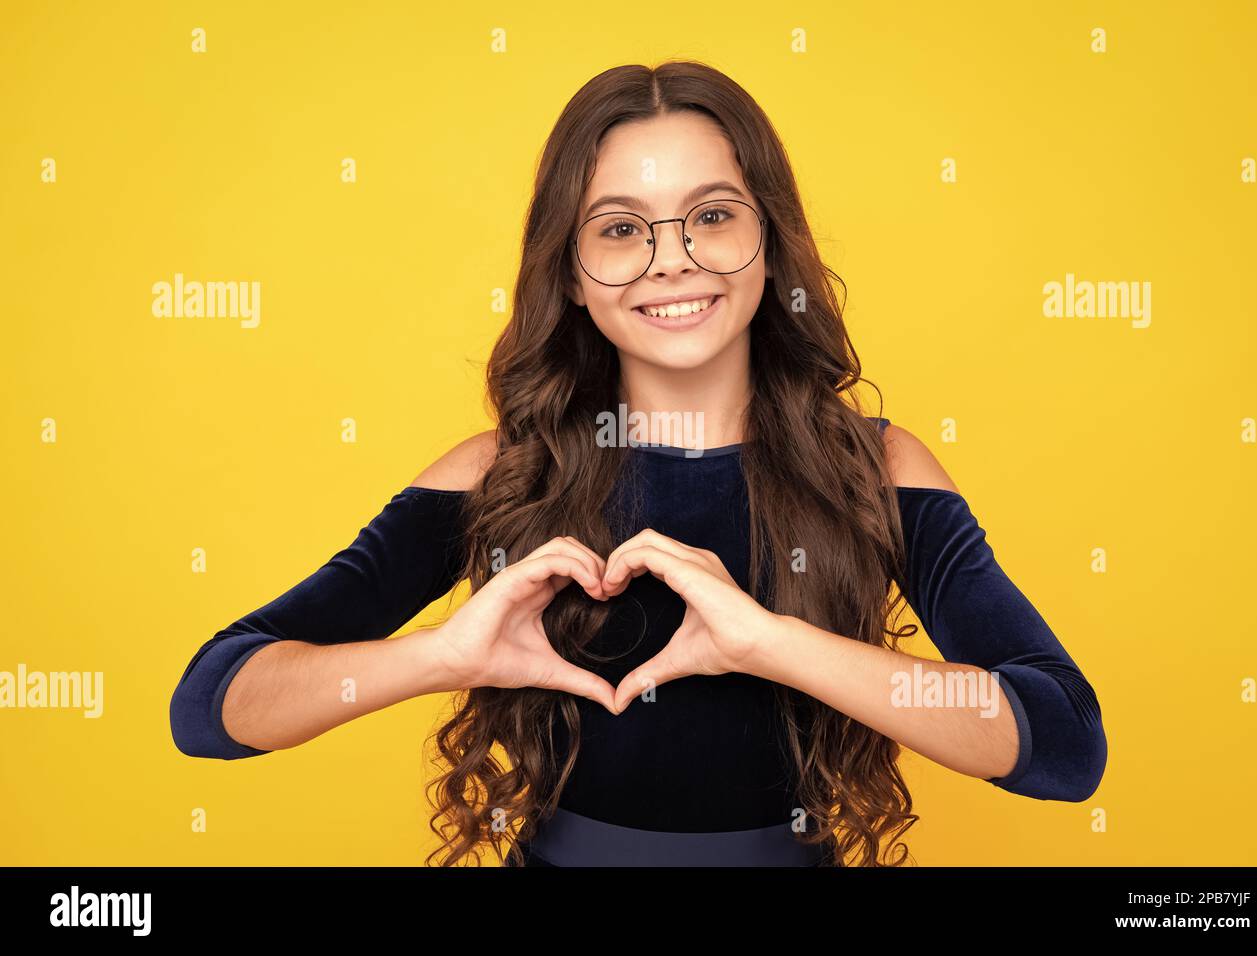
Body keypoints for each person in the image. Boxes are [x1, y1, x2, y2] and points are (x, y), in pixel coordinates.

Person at [169, 60, 1107, 867]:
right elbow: (211, 705)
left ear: (770, 242)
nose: (672, 261)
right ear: (572, 274)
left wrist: (769, 642)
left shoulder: (879, 468)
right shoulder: (496, 474)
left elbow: (1064, 743)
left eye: (712, 215)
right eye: (621, 229)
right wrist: (439, 656)